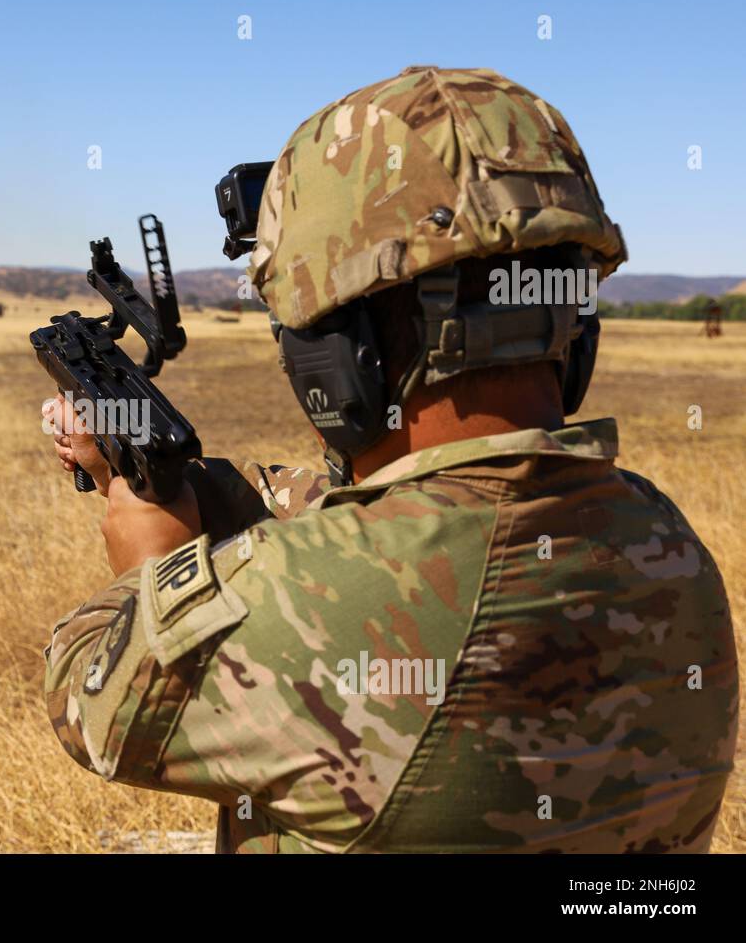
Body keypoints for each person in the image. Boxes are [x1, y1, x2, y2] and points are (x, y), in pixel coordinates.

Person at [40, 67, 737, 853]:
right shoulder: (671, 547)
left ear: (336, 358)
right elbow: (423, 527)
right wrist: (217, 487)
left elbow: (90, 693)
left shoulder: (292, 622)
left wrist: (145, 536)